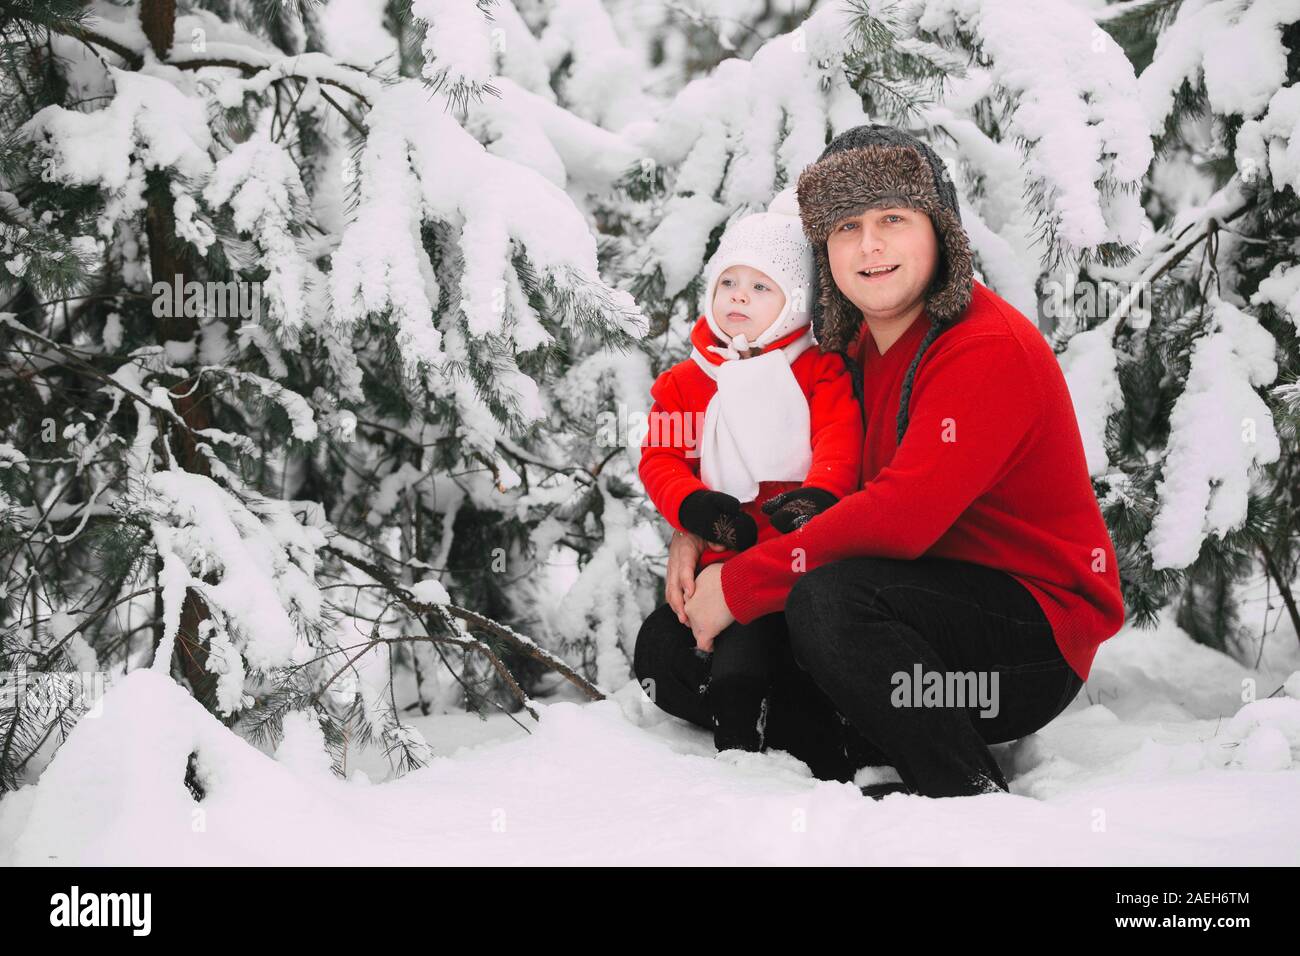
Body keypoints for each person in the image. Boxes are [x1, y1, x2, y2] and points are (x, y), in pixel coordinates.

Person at [640, 124, 1127, 799]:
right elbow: (790, 472)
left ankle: (960, 786)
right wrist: (698, 533)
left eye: (892, 219)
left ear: (940, 233)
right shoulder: (851, 349)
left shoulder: (983, 347)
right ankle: (847, 741)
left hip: (1026, 637)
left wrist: (744, 584)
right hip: (901, 604)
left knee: (825, 603)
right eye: (845, 227)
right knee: (668, 645)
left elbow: (900, 518)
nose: (869, 246)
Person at [634, 193, 862, 754]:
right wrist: (690, 506)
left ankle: (815, 738)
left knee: (782, 641)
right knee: (731, 648)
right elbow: (661, 458)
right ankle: (740, 736)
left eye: (761, 287)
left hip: (799, 555)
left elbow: (838, 437)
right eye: (728, 281)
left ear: (794, 304)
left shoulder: (817, 369)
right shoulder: (686, 381)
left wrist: (821, 492)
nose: (739, 295)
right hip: (724, 556)